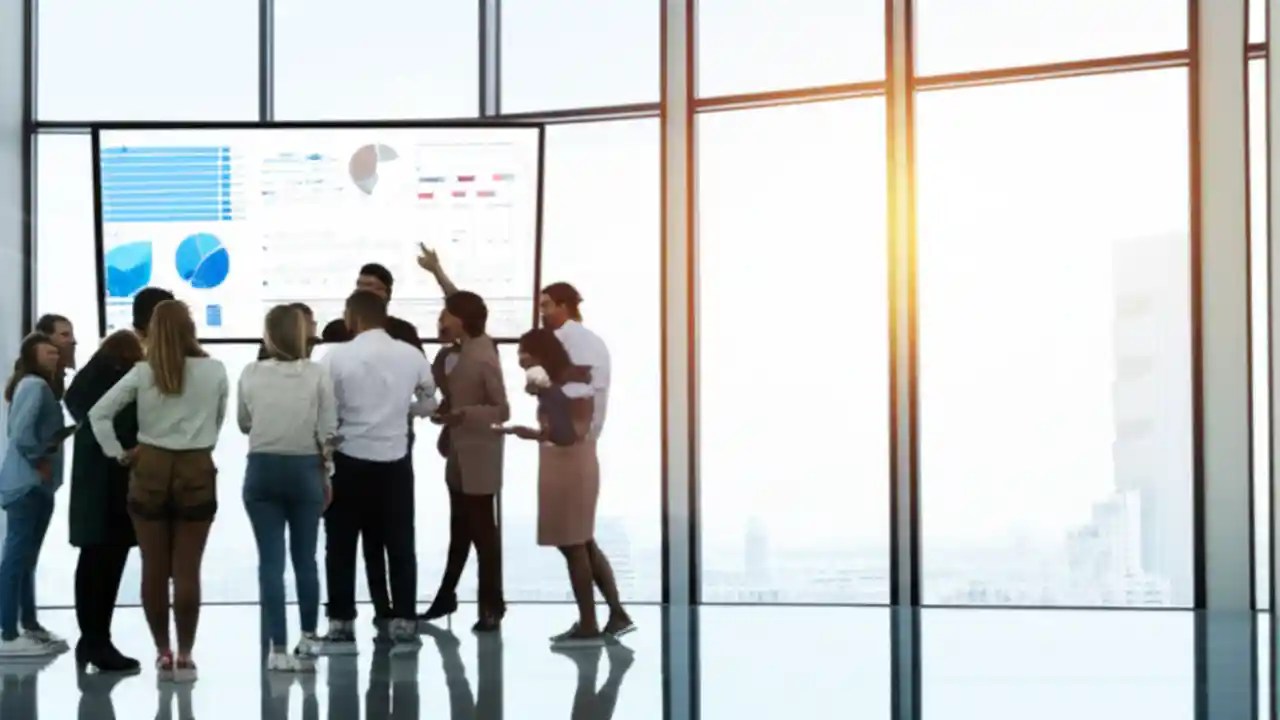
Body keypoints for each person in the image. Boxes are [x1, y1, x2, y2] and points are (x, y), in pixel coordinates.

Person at [89, 300, 229, 682]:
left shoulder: (142, 371)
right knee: (187, 569)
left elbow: (97, 414)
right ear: (191, 327)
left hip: (149, 466)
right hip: (196, 465)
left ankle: (162, 654)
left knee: (154, 568)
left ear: (151, 330)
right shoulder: (214, 370)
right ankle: (186, 656)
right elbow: (218, 420)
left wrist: (118, 453)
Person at [318, 290, 436, 653]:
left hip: (349, 459)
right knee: (400, 543)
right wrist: (407, 411)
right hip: (395, 460)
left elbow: (324, 408)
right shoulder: (411, 354)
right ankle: (403, 623)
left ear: (352, 318)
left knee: (341, 545)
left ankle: (341, 625)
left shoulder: (335, 356)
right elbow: (431, 402)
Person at [62, 287, 171, 674]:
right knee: (101, 556)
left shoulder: (122, 353)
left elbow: (77, 402)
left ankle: (93, 638)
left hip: (107, 472)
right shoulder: (126, 355)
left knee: (103, 555)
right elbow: (87, 406)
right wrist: (126, 444)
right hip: (109, 475)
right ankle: (96, 641)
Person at [509, 329, 631, 647]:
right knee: (583, 542)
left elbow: (570, 433)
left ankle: (589, 624)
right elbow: (556, 431)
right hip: (560, 463)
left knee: (574, 545)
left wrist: (547, 392)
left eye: (526, 352)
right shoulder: (562, 384)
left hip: (570, 465)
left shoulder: (572, 385)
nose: (520, 359)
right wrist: (533, 432)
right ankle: (615, 613)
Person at [239, 305, 337, 672]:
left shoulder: (250, 373)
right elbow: (328, 431)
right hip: (305, 470)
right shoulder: (316, 374)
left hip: (262, 469)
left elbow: (243, 422)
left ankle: (277, 649)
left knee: (270, 563)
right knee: (305, 560)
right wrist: (326, 472)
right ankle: (308, 640)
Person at [419, 291, 509, 632]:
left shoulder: (484, 354)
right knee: (460, 528)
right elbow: (449, 396)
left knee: (483, 532)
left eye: (446, 316)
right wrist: (443, 411)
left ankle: (492, 605)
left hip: (481, 451)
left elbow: (502, 409)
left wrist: (463, 414)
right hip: (458, 450)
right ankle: (447, 595)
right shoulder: (447, 356)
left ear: (462, 318)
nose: (440, 321)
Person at [63, 329, 146, 673]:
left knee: (91, 564)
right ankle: (99, 642)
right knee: (107, 567)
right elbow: (135, 432)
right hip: (115, 492)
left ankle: (91, 640)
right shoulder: (120, 394)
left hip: (90, 496)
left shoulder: (83, 392)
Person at [0, 333, 70, 658]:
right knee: (16, 559)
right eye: (48, 351)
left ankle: (28, 625)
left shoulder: (40, 387)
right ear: (32, 355)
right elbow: (20, 433)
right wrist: (39, 458)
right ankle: (8, 632)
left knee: (26, 559)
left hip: (36, 486)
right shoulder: (34, 386)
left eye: (57, 352)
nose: (56, 356)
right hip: (27, 484)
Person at [34, 314, 76, 397]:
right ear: (45, 340)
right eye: (64, 335)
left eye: (72, 335)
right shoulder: (35, 384)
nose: (73, 341)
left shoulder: (56, 378)